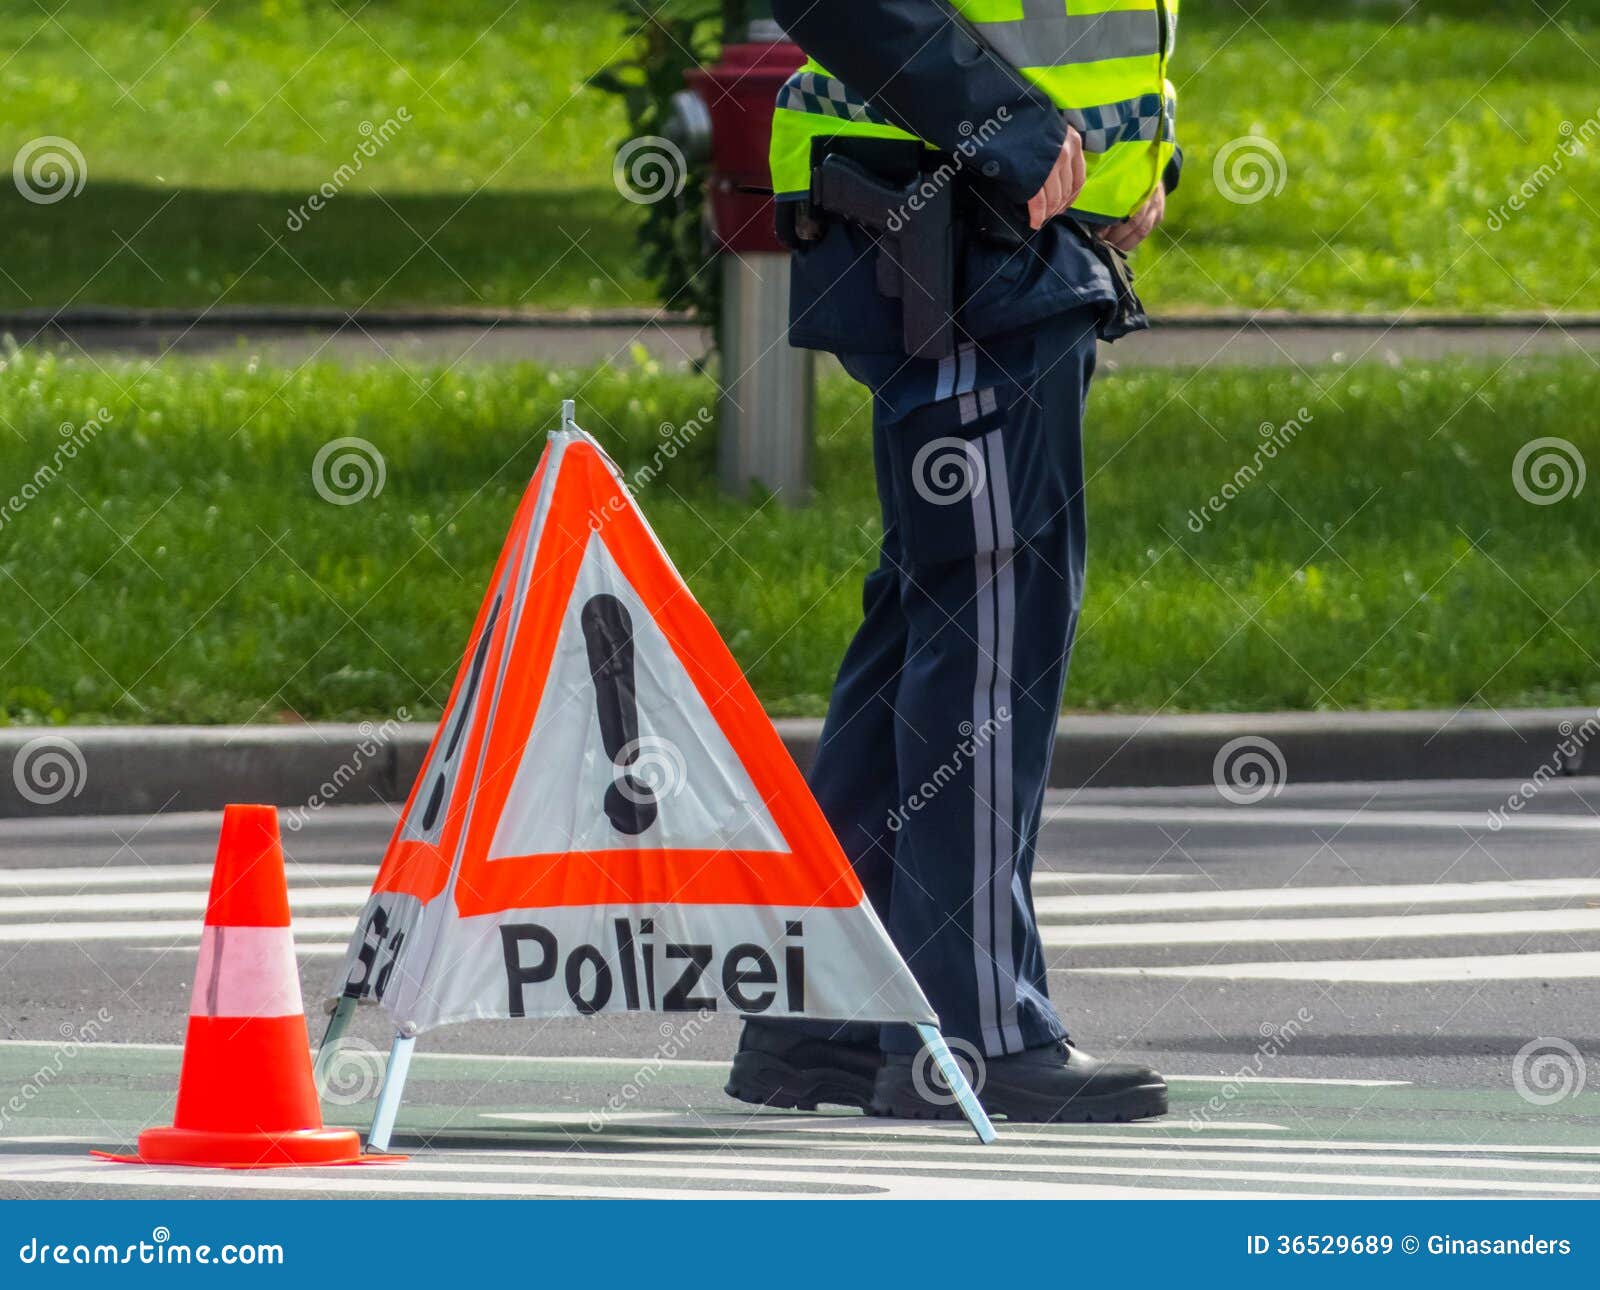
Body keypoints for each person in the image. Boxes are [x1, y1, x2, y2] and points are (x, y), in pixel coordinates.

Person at [725, 0, 1182, 1123]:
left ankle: (823, 1014)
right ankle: (967, 1034)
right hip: (950, 221)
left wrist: (1139, 162)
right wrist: (1007, 127)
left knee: (940, 618)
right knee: (987, 628)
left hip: (996, 223)